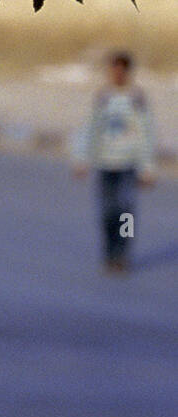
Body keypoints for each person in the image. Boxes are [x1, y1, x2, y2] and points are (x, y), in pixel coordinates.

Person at [73, 52, 157, 274]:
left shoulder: (136, 98)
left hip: (128, 165)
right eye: (114, 69)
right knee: (108, 212)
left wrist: (147, 168)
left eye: (122, 69)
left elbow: (146, 133)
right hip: (105, 164)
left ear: (128, 72)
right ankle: (110, 254)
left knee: (126, 212)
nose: (118, 74)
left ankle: (123, 255)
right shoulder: (104, 97)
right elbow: (89, 129)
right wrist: (82, 158)